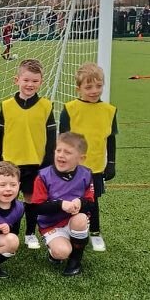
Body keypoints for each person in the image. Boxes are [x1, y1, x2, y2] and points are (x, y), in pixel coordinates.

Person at [0, 58, 56, 249]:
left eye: (35, 81)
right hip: (10, 163)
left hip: (35, 163)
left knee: (31, 200)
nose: (30, 84)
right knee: (7, 198)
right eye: (26, 80)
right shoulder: (6, 105)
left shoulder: (46, 106)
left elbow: (51, 137)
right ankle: (10, 232)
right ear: (17, 80)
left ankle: (29, 233)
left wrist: (47, 162)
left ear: (41, 82)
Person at [59, 63, 117, 252]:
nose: (94, 91)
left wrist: (111, 163)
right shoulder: (69, 109)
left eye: (99, 86)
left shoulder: (109, 111)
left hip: (95, 166)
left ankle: (95, 232)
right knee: (69, 200)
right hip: (73, 167)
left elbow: (110, 140)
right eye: (88, 87)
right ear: (79, 88)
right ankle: (66, 231)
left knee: (92, 201)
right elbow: (62, 140)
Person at [31, 132, 96, 277]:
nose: (61, 155)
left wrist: (81, 202)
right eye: (58, 150)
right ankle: (55, 252)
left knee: (80, 219)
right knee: (61, 252)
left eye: (67, 152)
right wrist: (60, 205)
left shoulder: (86, 174)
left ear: (81, 158)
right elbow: (37, 207)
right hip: (51, 224)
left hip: (74, 221)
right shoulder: (43, 176)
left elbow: (91, 202)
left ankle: (75, 260)